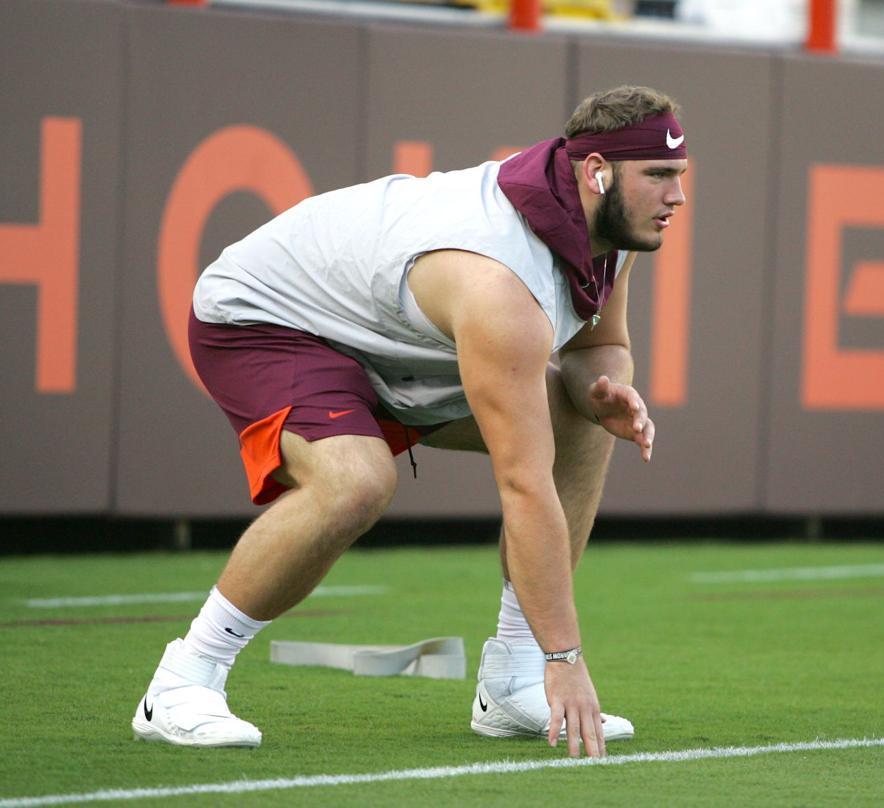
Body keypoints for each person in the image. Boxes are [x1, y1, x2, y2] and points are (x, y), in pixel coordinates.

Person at [131, 85, 688, 760]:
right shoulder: (499, 284)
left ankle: (510, 682)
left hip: (385, 337)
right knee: (356, 482)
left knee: (577, 425)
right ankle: (184, 678)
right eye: (658, 176)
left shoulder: (611, 230)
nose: (676, 197)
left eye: (678, 176)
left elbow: (598, 346)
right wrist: (566, 658)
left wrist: (605, 390)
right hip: (267, 320)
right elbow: (524, 486)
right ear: (597, 171)